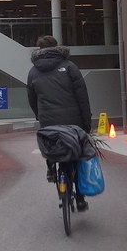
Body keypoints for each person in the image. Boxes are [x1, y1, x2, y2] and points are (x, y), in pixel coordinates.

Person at [26, 35, 93, 211]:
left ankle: (50, 168)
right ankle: (79, 198)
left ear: (38, 50)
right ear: (57, 47)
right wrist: (86, 122)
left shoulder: (33, 72)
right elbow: (82, 97)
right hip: (74, 121)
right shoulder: (70, 67)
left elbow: (32, 100)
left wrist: (40, 117)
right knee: (77, 157)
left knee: (51, 144)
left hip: (48, 122)